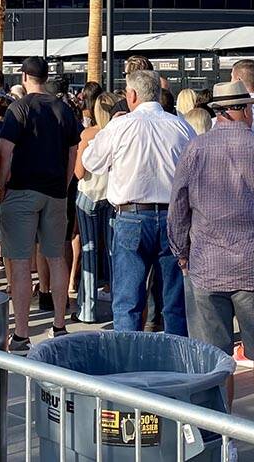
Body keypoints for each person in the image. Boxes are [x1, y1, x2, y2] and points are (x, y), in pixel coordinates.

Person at [169, 81, 254, 438]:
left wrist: (182, 254)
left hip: (205, 266)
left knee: (215, 362)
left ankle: (221, 438)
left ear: (218, 111)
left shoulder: (195, 149)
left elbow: (178, 212)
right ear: (244, 110)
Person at [83, 69, 195, 336]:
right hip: (173, 216)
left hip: (131, 215)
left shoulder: (121, 126)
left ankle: (127, 364)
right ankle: (176, 363)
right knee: (174, 301)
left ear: (131, 95)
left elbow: (91, 162)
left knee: (127, 301)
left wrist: (108, 127)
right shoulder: (180, 126)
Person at [0, 56, 81, 354]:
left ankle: (21, 334)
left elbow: (6, 151)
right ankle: (59, 325)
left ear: (24, 77)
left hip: (21, 189)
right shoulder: (64, 109)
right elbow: (74, 153)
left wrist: (1, 185)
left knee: (20, 264)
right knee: (56, 257)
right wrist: (65, 183)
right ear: (45, 77)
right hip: (55, 191)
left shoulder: (19, 108)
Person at [75, 91, 117, 323]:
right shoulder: (119, 134)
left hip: (89, 194)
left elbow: (79, 172)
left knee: (89, 252)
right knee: (113, 253)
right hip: (110, 196)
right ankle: (117, 301)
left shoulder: (89, 134)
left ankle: (87, 310)